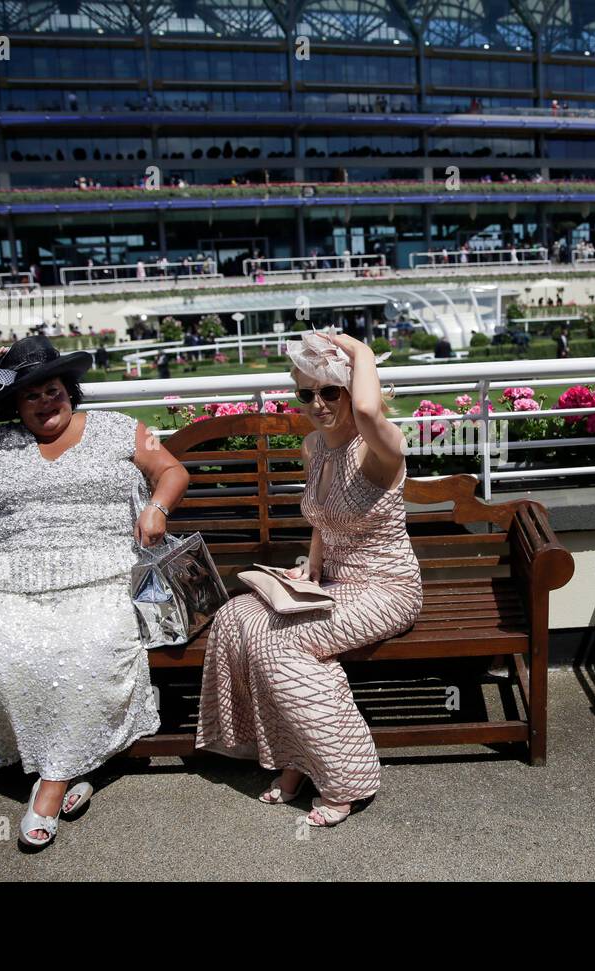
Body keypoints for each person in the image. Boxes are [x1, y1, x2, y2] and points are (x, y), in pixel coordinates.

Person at [0, 337, 188, 850]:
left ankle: (51, 784)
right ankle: (71, 768)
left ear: (71, 390)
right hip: (10, 579)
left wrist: (157, 507)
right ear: (15, 405)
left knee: (91, 649)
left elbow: (171, 469)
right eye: (31, 395)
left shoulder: (121, 427)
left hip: (104, 570)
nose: (46, 402)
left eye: (53, 389)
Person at [196, 330, 420, 827]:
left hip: (386, 589)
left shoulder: (381, 445)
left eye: (330, 391)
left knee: (282, 646)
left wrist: (360, 350)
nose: (317, 404)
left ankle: (341, 776)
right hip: (335, 584)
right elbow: (320, 515)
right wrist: (312, 562)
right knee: (236, 617)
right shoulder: (314, 446)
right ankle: (292, 755)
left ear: (350, 387)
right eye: (305, 393)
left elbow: (367, 411)